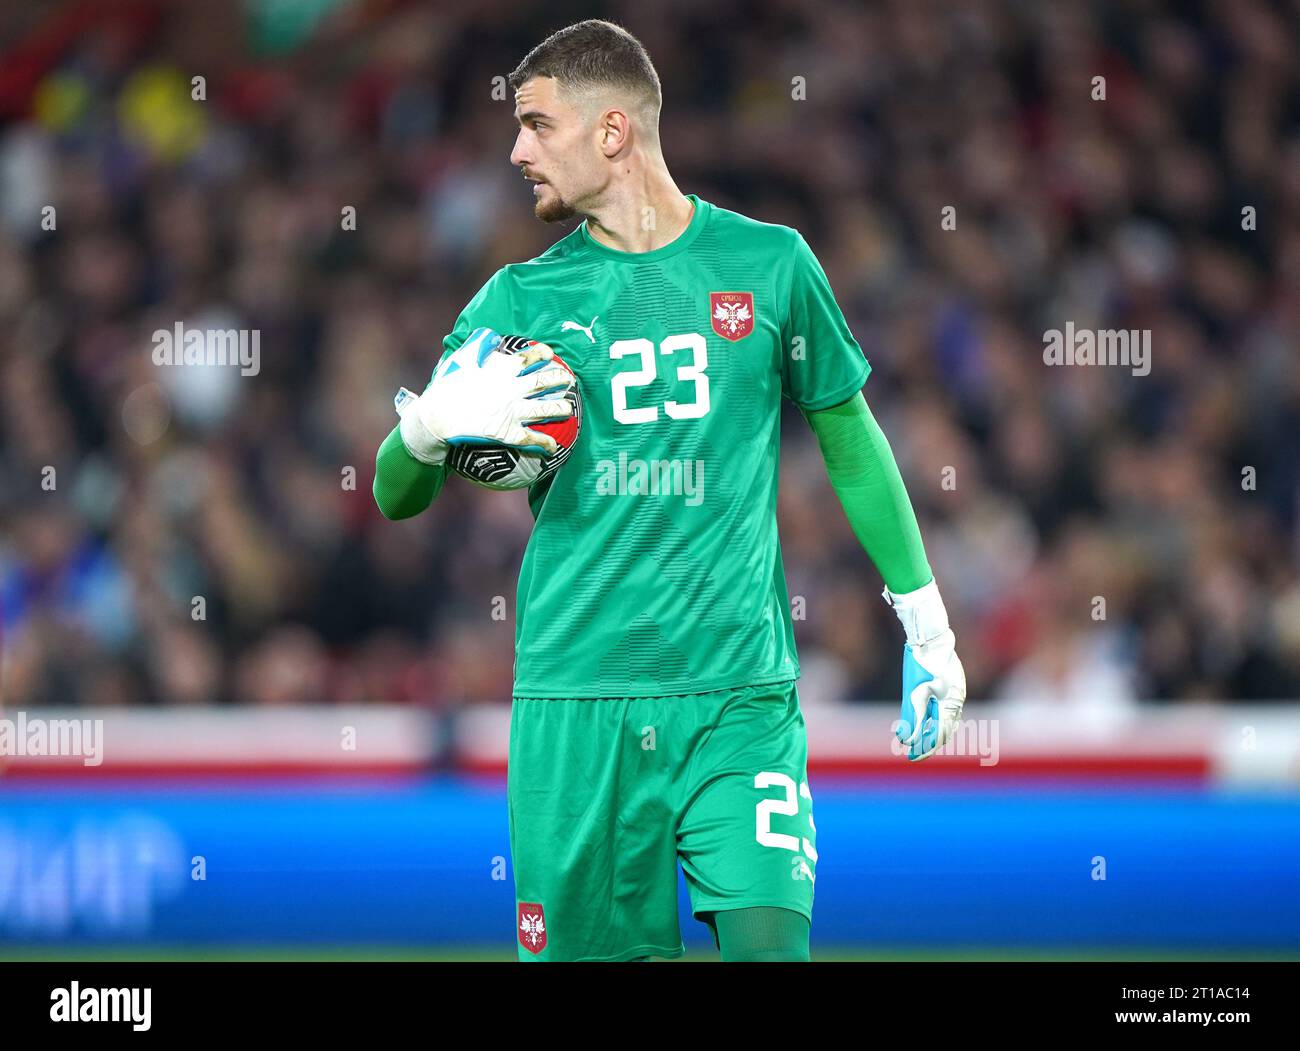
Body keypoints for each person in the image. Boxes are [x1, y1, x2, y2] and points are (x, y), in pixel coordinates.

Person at [373, 19, 966, 962]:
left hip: (741, 699)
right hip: (577, 705)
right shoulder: (514, 304)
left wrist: (927, 626)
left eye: (535, 123)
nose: (516, 149)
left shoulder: (772, 265)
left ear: (612, 131)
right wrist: (422, 428)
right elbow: (394, 495)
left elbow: (849, 436)